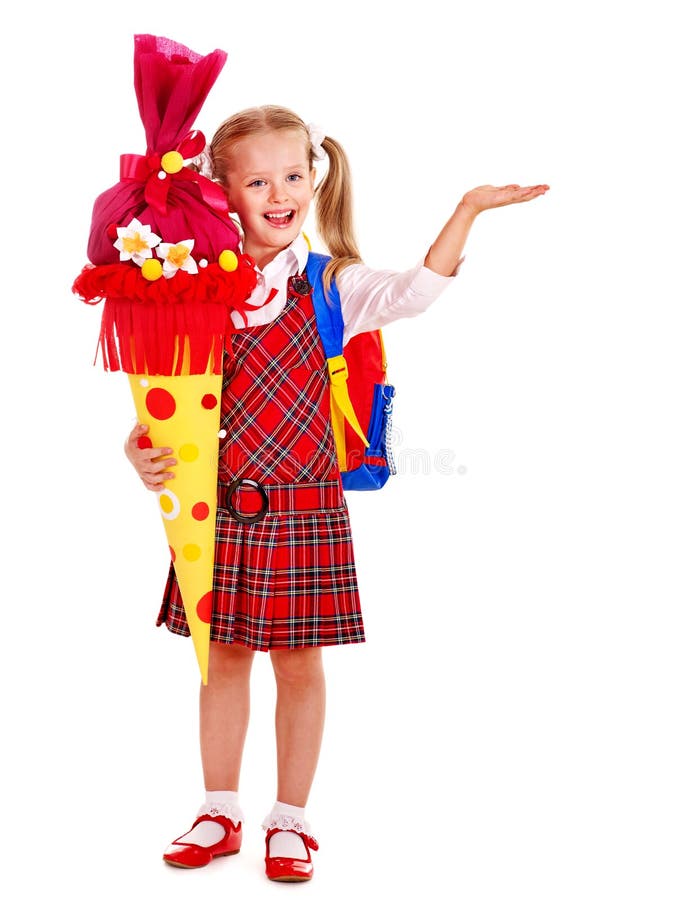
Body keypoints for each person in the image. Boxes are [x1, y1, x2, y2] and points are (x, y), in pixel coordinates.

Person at [124, 105, 548, 882]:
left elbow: (417, 293)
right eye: (257, 180)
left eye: (293, 176)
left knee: (297, 666)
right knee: (219, 663)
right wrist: (137, 449)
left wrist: (466, 212)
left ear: (314, 180)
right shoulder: (188, 291)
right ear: (221, 191)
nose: (278, 193)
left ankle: (291, 820)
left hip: (305, 509)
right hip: (216, 513)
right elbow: (165, 402)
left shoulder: (332, 287)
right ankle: (219, 810)